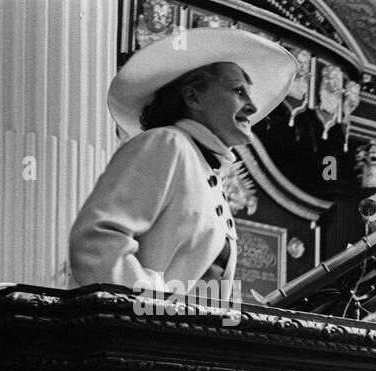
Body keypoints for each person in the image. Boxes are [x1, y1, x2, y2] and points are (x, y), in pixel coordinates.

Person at [69, 28, 296, 294]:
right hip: (143, 332)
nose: (252, 106)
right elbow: (96, 241)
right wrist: (152, 305)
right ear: (193, 97)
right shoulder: (167, 143)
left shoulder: (203, 162)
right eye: (238, 91)